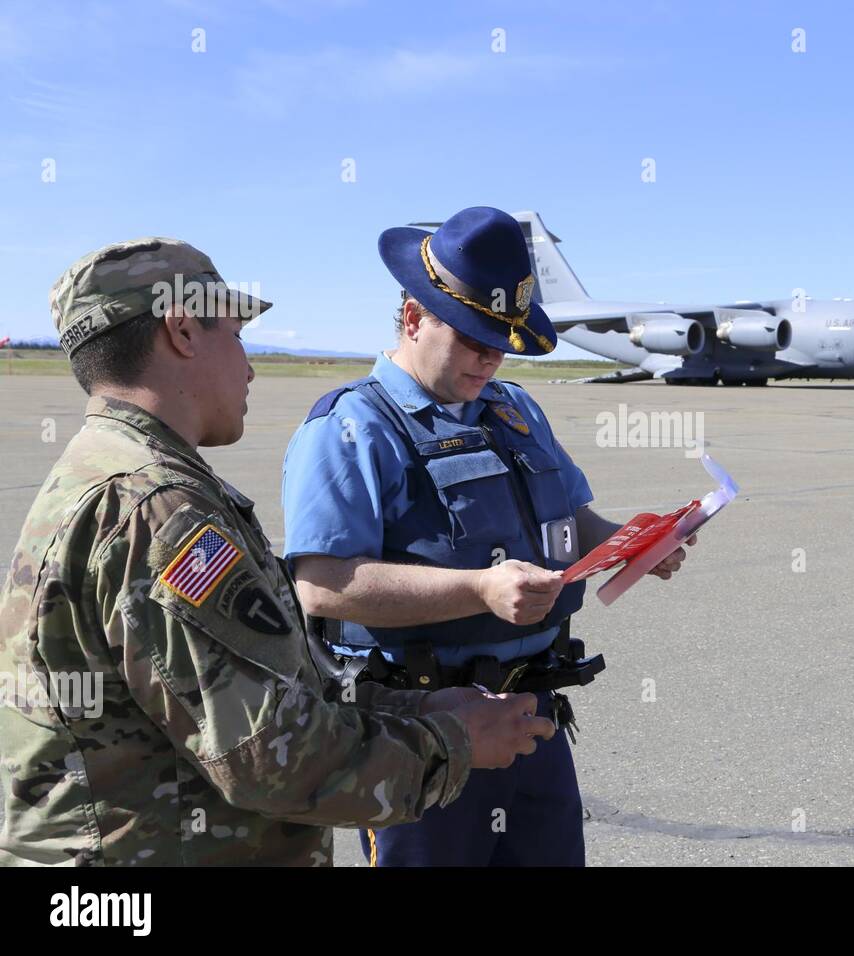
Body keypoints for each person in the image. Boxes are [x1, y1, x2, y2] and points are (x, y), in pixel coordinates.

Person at [0, 237, 553, 867]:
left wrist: (415, 706)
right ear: (182, 331)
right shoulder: (157, 511)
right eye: (236, 337)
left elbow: (265, 692)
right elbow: (270, 757)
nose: (250, 366)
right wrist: (454, 740)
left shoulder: (112, 475)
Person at [282, 207, 696, 866]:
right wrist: (479, 589)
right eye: (474, 339)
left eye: (502, 341)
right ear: (415, 319)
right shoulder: (352, 427)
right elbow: (323, 585)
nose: (491, 358)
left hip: (533, 718)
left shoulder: (513, 408)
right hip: (422, 730)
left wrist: (634, 542)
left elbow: (570, 520)